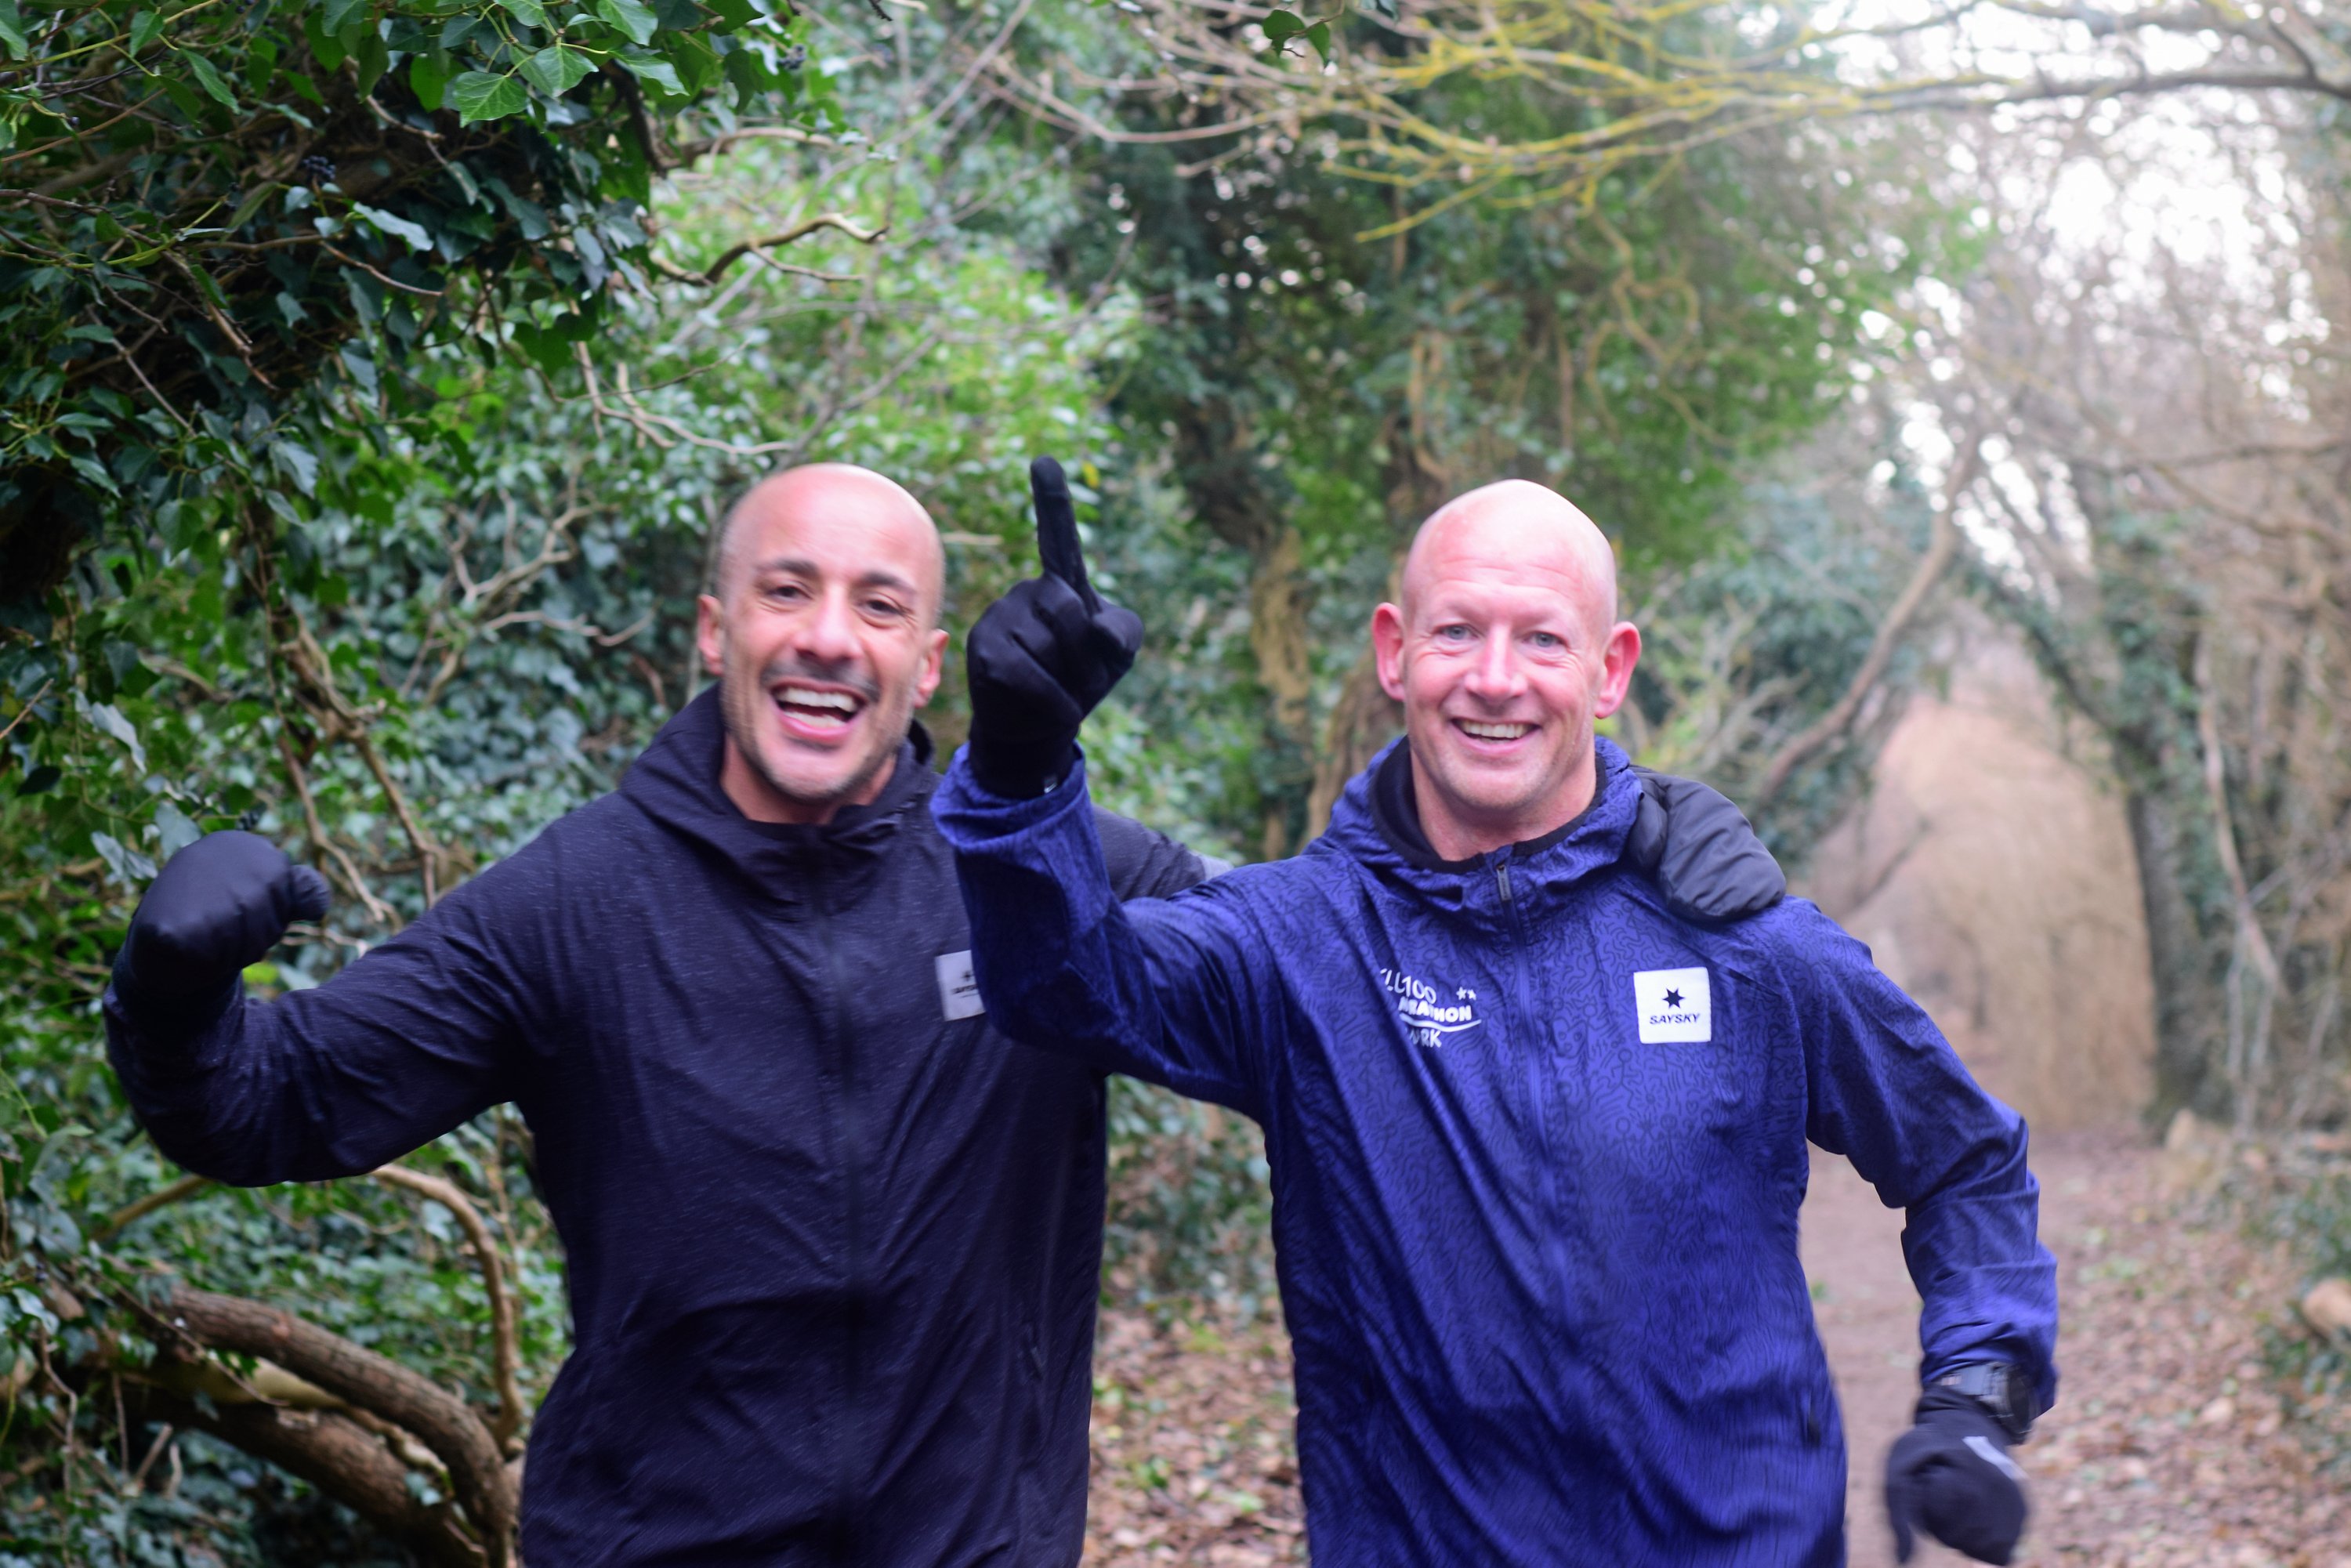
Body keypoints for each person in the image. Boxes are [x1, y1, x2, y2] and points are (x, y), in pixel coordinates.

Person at [103, 462, 1783, 1564]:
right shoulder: (575, 902)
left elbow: (1366, 979)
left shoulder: (1068, 879)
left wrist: (1626, 850)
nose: (827, 638)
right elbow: (274, 1103)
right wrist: (176, 988)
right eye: (784, 593)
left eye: (880, 607)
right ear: (714, 629)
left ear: (927, 665)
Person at [933, 475, 2059, 1566]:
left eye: (1543, 640)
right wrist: (1023, 770)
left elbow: (1963, 1157)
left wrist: (1975, 1392)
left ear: (1612, 668)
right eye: (1458, 632)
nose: (1495, 679)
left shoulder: (1748, 943)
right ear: (1394, 652)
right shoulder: (1297, 946)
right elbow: (1063, 985)